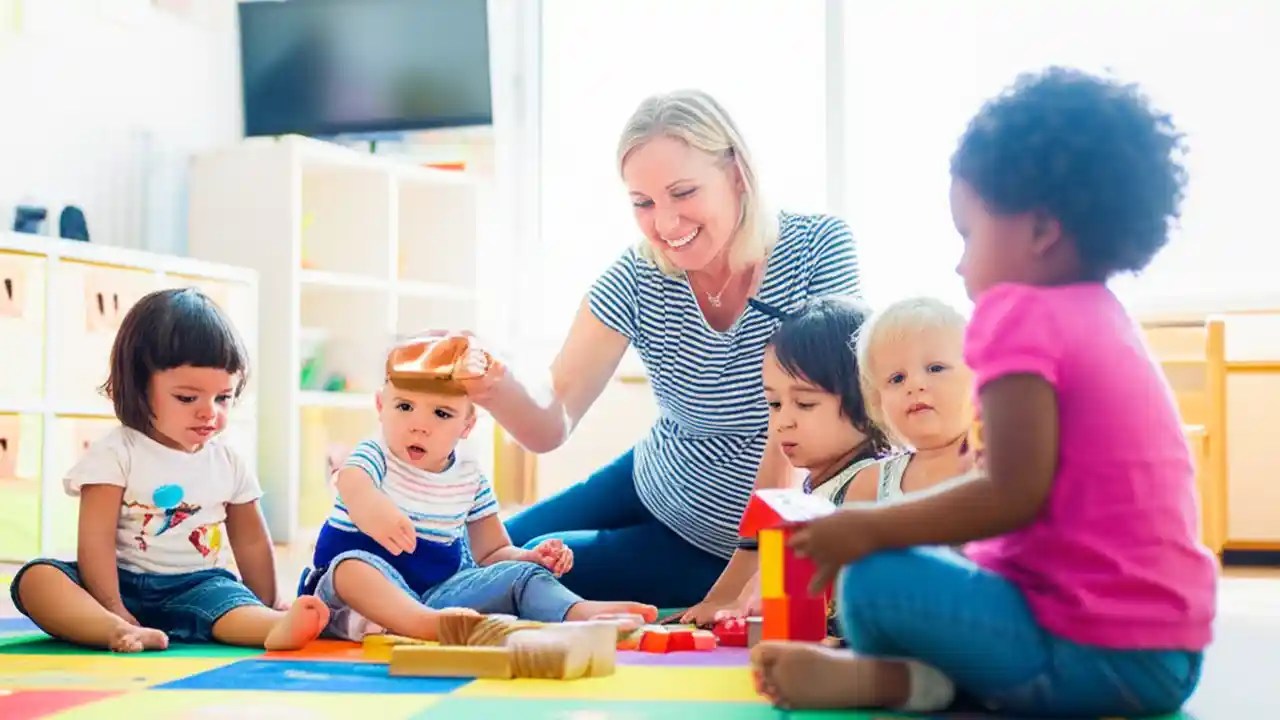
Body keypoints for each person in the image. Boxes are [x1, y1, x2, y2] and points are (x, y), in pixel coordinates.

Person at [750, 66, 1218, 717]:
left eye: (968, 234)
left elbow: (1010, 492)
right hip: (1166, 656)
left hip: (1089, 652)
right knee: (900, 572)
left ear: (1040, 232)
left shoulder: (1020, 313)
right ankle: (919, 683)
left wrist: (866, 527)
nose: (960, 263)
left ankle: (911, 680)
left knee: (875, 579)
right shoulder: (1104, 317)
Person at [452, 88, 861, 614]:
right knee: (474, 557)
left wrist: (737, 583)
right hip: (651, 480)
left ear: (736, 173)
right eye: (643, 203)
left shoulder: (817, 247)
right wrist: (496, 384)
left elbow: (800, 427)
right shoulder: (638, 274)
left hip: (722, 545)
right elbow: (550, 422)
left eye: (683, 193)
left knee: (519, 572)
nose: (665, 224)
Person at [10, 288, 328, 652]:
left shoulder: (227, 462)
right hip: (117, 584)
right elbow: (95, 540)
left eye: (223, 397)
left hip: (198, 585)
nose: (209, 411)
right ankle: (112, 630)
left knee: (231, 602)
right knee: (36, 579)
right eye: (188, 398)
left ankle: (272, 626)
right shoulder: (117, 452)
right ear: (139, 387)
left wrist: (267, 600)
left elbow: (251, 540)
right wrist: (112, 606)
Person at [298, 335, 658, 641]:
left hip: (439, 595)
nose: (418, 425)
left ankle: (577, 612)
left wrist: (529, 558)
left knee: (521, 575)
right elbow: (351, 479)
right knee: (353, 567)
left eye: (441, 414)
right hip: (350, 599)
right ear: (381, 405)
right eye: (404, 406)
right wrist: (372, 508)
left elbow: (491, 551)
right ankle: (420, 625)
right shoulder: (376, 453)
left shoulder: (469, 477)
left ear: (467, 425)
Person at [715, 295, 891, 626]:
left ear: (869, 398)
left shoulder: (869, 482)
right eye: (774, 403)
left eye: (805, 404)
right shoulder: (815, 488)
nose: (783, 422)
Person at [838, 296, 976, 505]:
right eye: (897, 378)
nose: (915, 384)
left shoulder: (998, 465)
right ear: (877, 400)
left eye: (935, 368)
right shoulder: (870, 485)